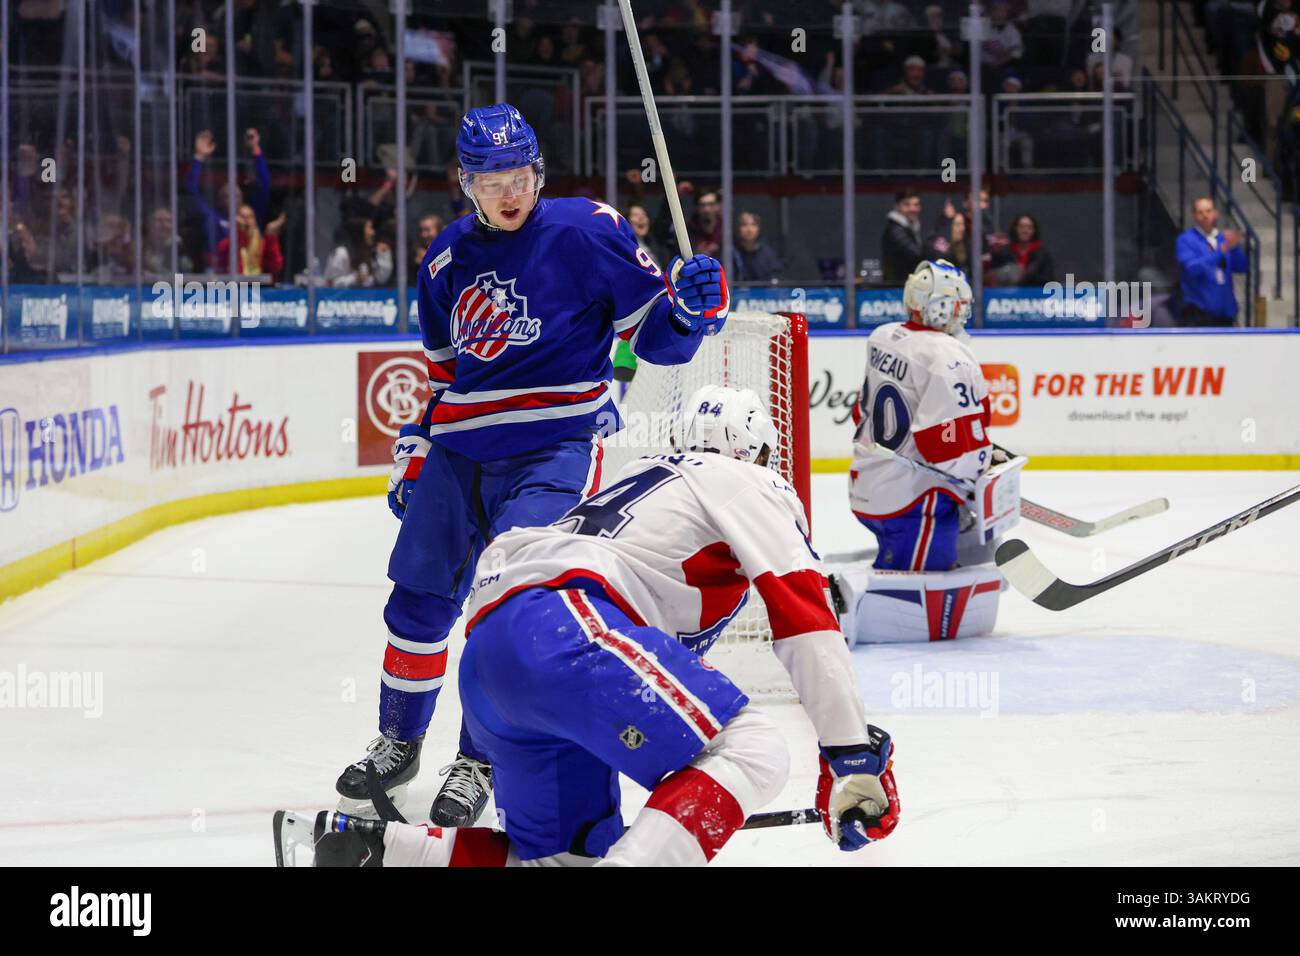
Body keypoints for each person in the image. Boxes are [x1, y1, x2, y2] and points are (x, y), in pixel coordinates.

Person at [334, 103, 731, 829]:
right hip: (459, 454)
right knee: (418, 601)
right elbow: (445, 383)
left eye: (519, 176)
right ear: (465, 185)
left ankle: (478, 759)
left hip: (554, 446)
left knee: (506, 602)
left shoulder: (588, 230)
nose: (509, 193)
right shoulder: (446, 261)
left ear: (538, 172)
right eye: (491, 183)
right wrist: (419, 448)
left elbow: (660, 345)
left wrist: (694, 314)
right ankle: (399, 740)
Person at [308, 386, 900, 866]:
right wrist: (848, 752)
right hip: (569, 628)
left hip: (494, 652)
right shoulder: (749, 482)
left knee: (570, 856)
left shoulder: (641, 480)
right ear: (759, 455)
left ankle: (381, 850)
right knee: (754, 749)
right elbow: (803, 611)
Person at [836, 260, 1007, 644]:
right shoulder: (949, 356)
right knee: (920, 589)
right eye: (958, 304)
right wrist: (982, 471)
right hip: (914, 505)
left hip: (868, 486)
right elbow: (945, 449)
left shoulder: (883, 335)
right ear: (940, 307)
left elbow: (858, 412)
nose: (963, 312)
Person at [1175, 197, 1248, 326]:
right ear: (1194, 215)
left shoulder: (1222, 238)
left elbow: (1242, 267)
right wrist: (1221, 250)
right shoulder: (1185, 240)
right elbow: (1192, 269)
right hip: (1199, 314)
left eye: (1208, 211)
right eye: (1200, 212)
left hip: (1225, 314)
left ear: (1215, 213)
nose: (1205, 215)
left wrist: (1235, 247)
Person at [216, 205, 285, 281]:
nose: (246, 220)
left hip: (261, 288)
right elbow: (229, 269)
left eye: (249, 217)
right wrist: (239, 233)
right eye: (242, 217)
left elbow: (275, 268)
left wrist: (271, 237)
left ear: (255, 221)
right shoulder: (225, 245)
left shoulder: (264, 243)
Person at [989, 213, 1054, 287]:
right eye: (1021, 227)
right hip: (1008, 295)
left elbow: (1048, 280)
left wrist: (1026, 275)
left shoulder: (1042, 253)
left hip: (1036, 295)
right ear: (1015, 229)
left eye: (1029, 227)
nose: (1025, 231)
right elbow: (994, 276)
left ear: (1034, 230)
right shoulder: (1005, 252)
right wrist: (995, 254)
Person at [881, 190, 924, 282]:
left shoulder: (911, 228)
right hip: (896, 289)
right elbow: (917, 255)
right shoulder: (895, 230)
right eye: (907, 205)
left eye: (916, 205)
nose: (912, 209)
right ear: (897, 207)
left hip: (905, 285)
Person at [732, 211, 783, 282]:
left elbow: (776, 277)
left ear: (758, 228)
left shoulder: (768, 254)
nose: (749, 229)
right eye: (744, 225)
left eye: (753, 225)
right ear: (738, 228)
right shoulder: (731, 254)